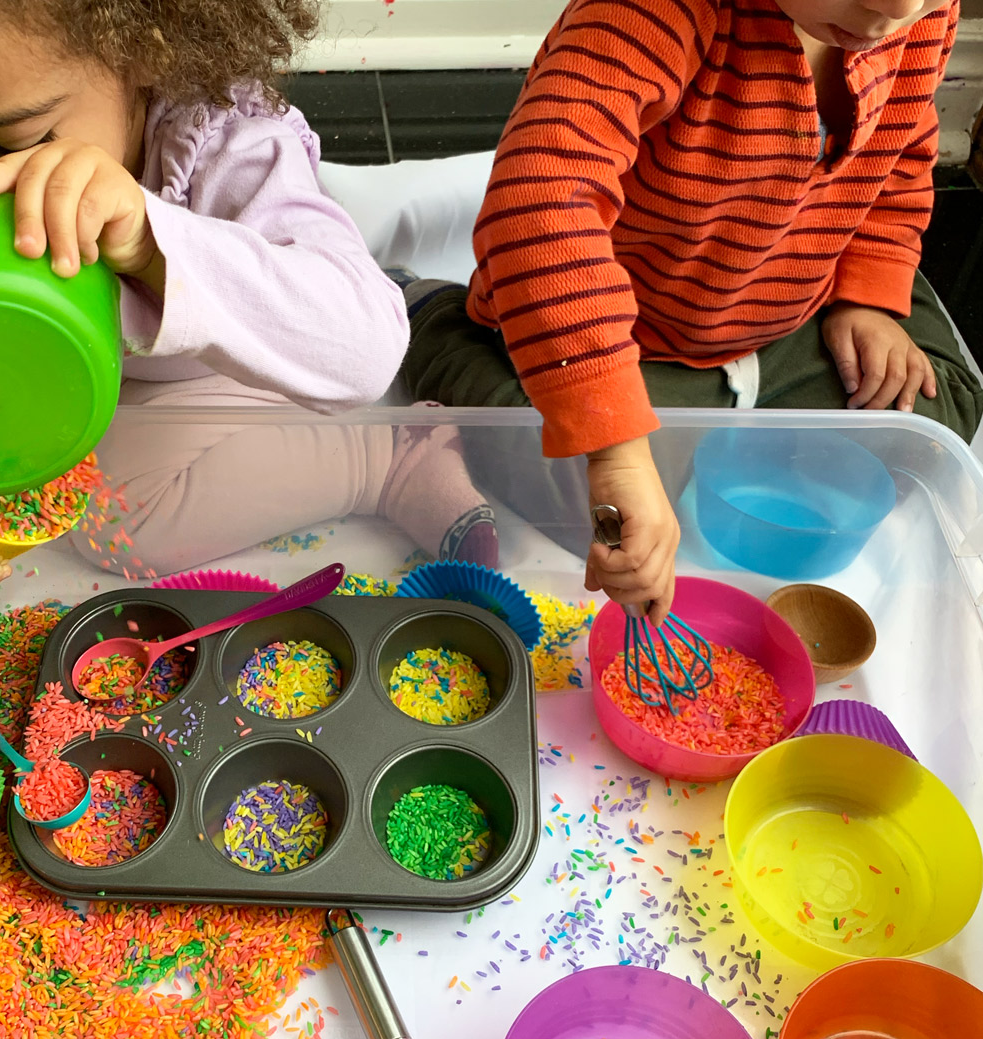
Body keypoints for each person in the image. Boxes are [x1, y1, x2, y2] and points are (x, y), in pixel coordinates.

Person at [0, 0, 499, 596]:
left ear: (141, 52)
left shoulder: (225, 147)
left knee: (121, 525)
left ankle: (391, 457)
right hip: (47, 388)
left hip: (215, 375)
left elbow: (364, 352)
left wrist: (154, 246)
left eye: (12, 145)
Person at [397, 0, 982, 623]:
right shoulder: (647, 12)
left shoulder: (920, 15)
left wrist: (868, 293)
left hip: (793, 292)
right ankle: (428, 315)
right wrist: (617, 453)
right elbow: (542, 204)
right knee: (585, 500)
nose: (896, 8)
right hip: (621, 329)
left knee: (939, 407)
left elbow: (902, 146)